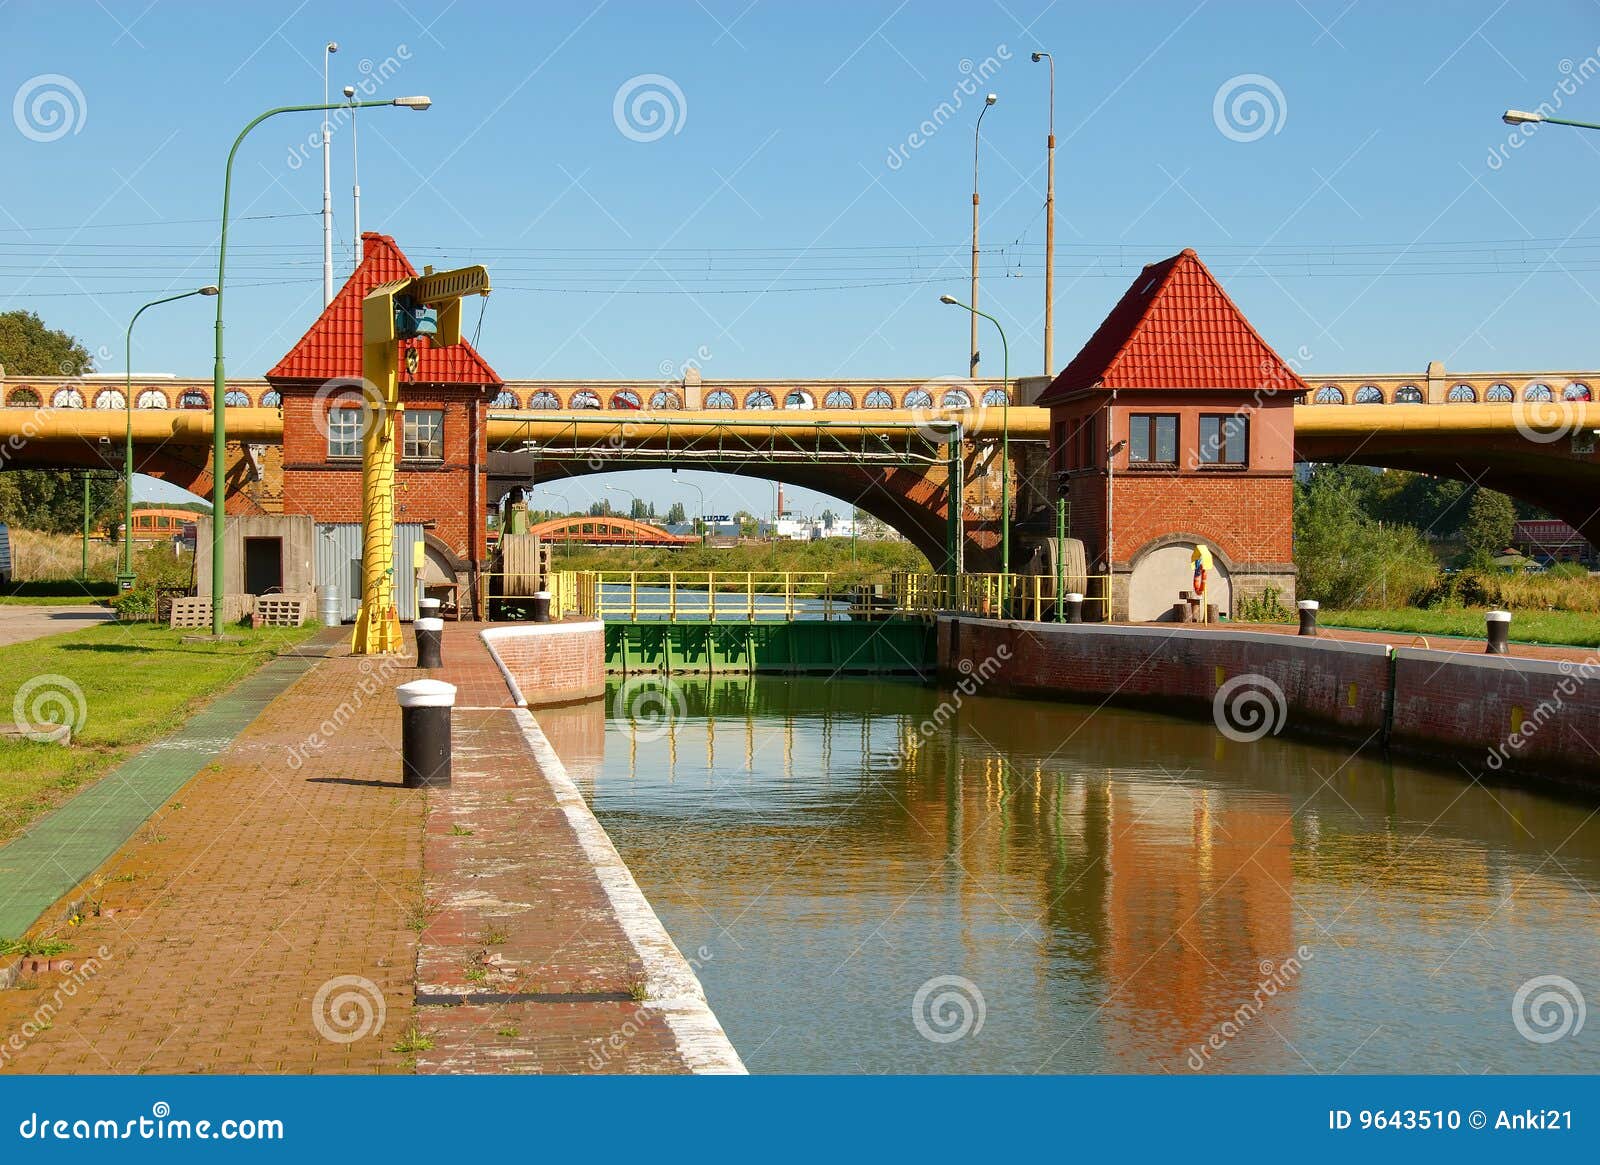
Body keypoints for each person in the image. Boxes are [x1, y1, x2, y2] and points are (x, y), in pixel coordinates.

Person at [1190, 543, 1214, 616]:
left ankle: (1204, 618)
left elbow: (1201, 575)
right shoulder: (1198, 567)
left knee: (1198, 575)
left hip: (1200, 570)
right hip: (1199, 570)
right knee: (1198, 575)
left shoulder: (1201, 567)